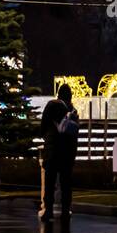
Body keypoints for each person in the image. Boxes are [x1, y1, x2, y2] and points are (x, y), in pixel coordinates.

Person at [39, 83, 78, 222]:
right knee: (66, 182)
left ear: (58, 95)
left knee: (50, 182)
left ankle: (48, 210)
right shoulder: (72, 111)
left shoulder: (51, 105)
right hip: (67, 153)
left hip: (52, 150)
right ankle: (65, 211)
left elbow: (42, 127)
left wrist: (47, 138)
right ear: (70, 96)